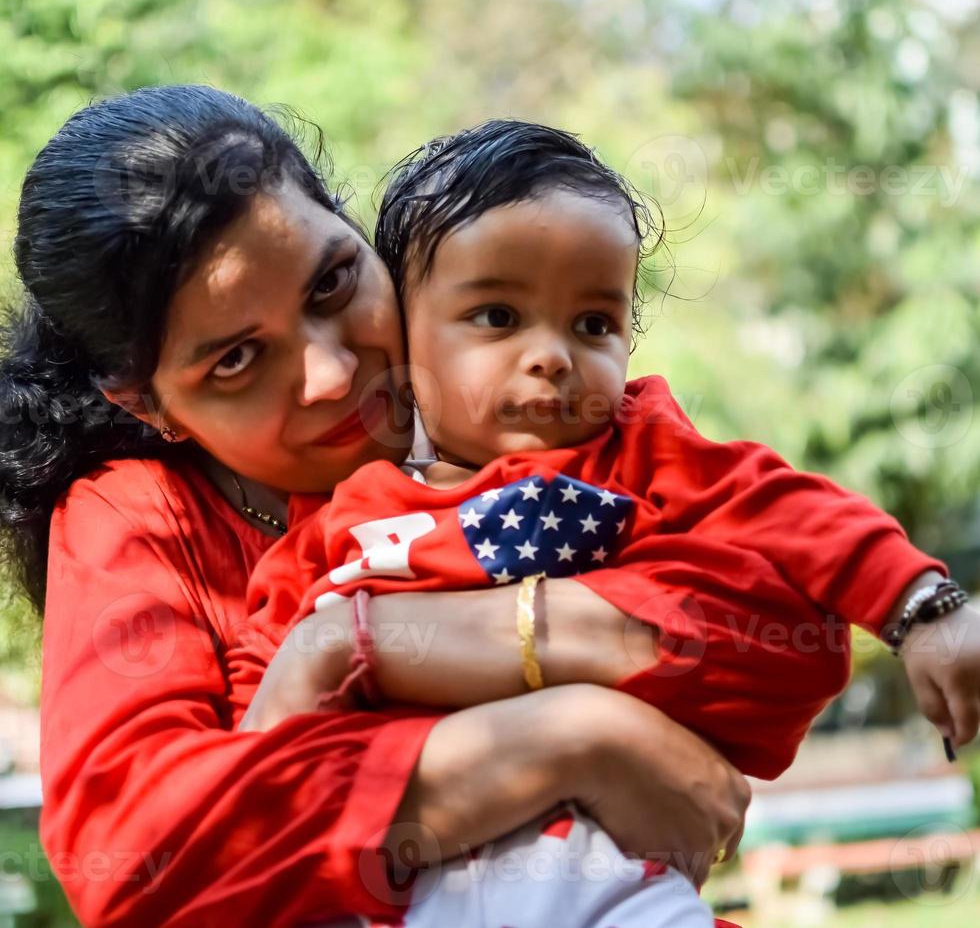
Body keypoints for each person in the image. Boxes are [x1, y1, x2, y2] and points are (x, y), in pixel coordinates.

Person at [0, 86, 750, 927]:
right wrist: (567, 738)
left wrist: (349, 649)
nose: (331, 374)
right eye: (238, 359)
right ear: (151, 407)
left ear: (354, 228)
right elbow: (140, 859)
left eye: (331, 284)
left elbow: (764, 635)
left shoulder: (511, 408)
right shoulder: (136, 519)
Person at [229, 121, 980, 921]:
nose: (552, 354)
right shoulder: (350, 518)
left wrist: (920, 609)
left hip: (617, 878)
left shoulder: (641, 450)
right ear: (406, 334)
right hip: (420, 886)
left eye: (593, 324)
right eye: (497, 316)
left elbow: (790, 509)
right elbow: (268, 679)